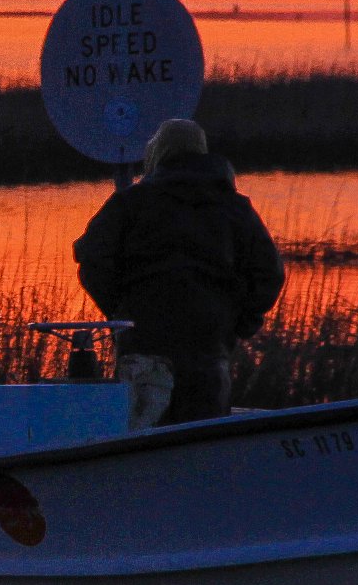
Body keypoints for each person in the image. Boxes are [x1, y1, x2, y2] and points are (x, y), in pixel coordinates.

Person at [72, 119, 285, 426]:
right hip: (209, 353)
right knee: (205, 445)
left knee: (141, 444)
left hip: (143, 347)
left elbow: (91, 256)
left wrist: (120, 312)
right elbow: (269, 274)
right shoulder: (235, 209)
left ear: (158, 152)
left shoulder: (130, 203)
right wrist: (237, 323)